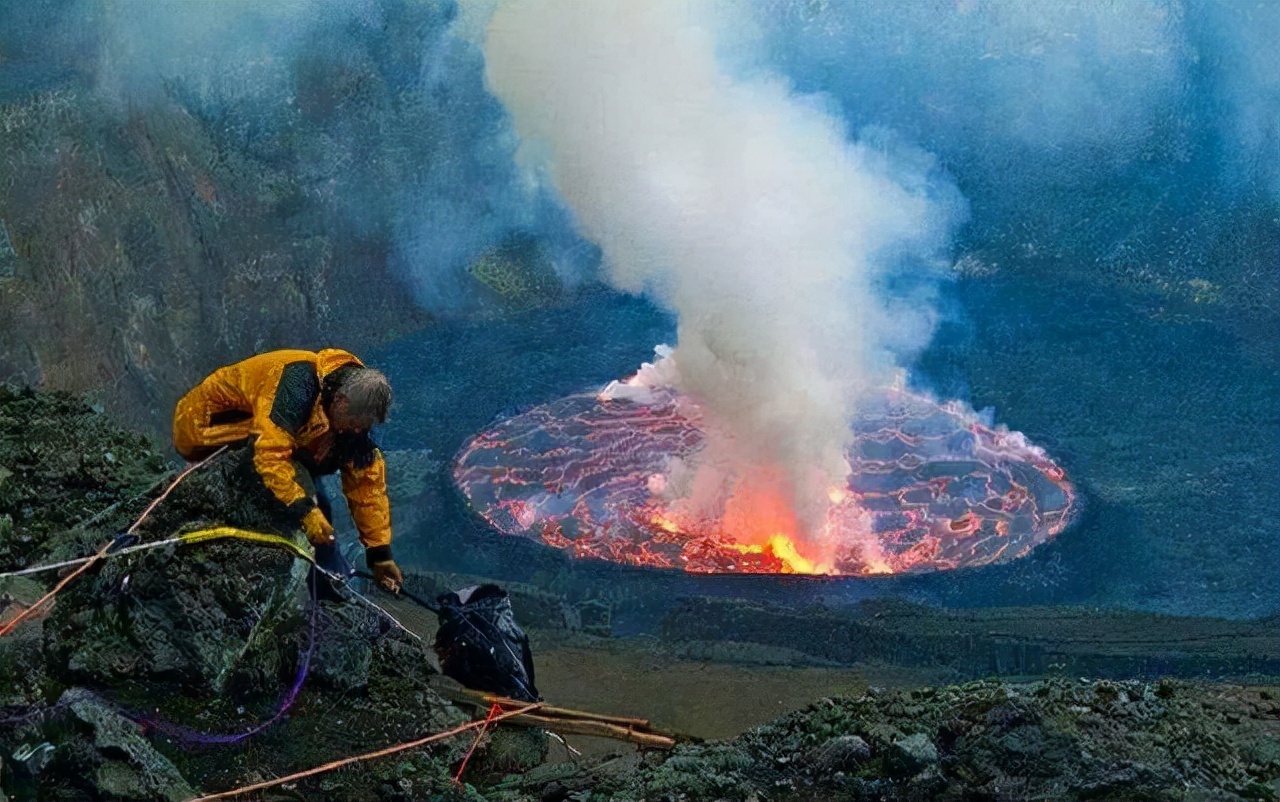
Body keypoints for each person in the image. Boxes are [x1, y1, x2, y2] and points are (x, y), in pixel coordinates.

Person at [172, 348, 404, 595]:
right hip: (208, 427)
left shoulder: (350, 407)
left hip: (282, 438)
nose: (358, 430)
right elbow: (270, 455)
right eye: (355, 423)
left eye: (364, 426)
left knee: (320, 497)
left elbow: (367, 486)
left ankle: (324, 581)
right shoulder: (295, 383)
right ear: (341, 401)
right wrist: (304, 511)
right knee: (305, 496)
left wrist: (379, 554)